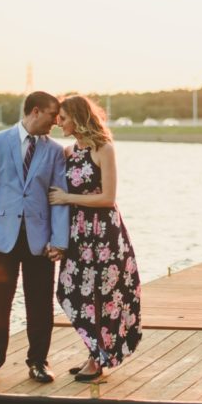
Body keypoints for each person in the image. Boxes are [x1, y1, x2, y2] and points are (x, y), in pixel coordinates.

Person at [0, 91, 69, 384]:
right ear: (35, 111)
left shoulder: (54, 151)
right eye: (52, 115)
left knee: (40, 304)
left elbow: (58, 199)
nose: (56, 121)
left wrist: (59, 240)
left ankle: (38, 362)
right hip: (0, 240)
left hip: (40, 241)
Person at [48, 95, 142, 382]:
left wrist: (66, 197)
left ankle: (98, 358)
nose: (58, 123)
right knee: (71, 291)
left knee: (103, 294)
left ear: (77, 117)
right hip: (79, 234)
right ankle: (95, 351)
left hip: (104, 233)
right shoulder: (69, 152)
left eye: (63, 118)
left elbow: (108, 198)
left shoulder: (104, 149)